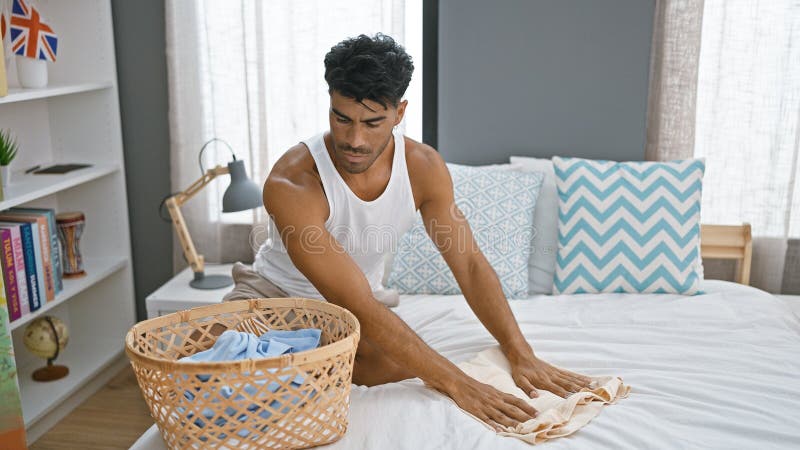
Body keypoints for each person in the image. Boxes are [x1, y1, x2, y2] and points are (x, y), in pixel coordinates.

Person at [224, 33, 591, 431]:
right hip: (273, 296)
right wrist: (460, 384)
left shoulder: (423, 167)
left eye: (372, 122)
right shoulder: (292, 180)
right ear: (329, 102)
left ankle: (299, 367)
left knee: (396, 362)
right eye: (341, 118)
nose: (354, 140)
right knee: (217, 374)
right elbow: (358, 302)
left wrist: (521, 353)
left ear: (399, 113)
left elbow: (467, 263)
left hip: (354, 304)